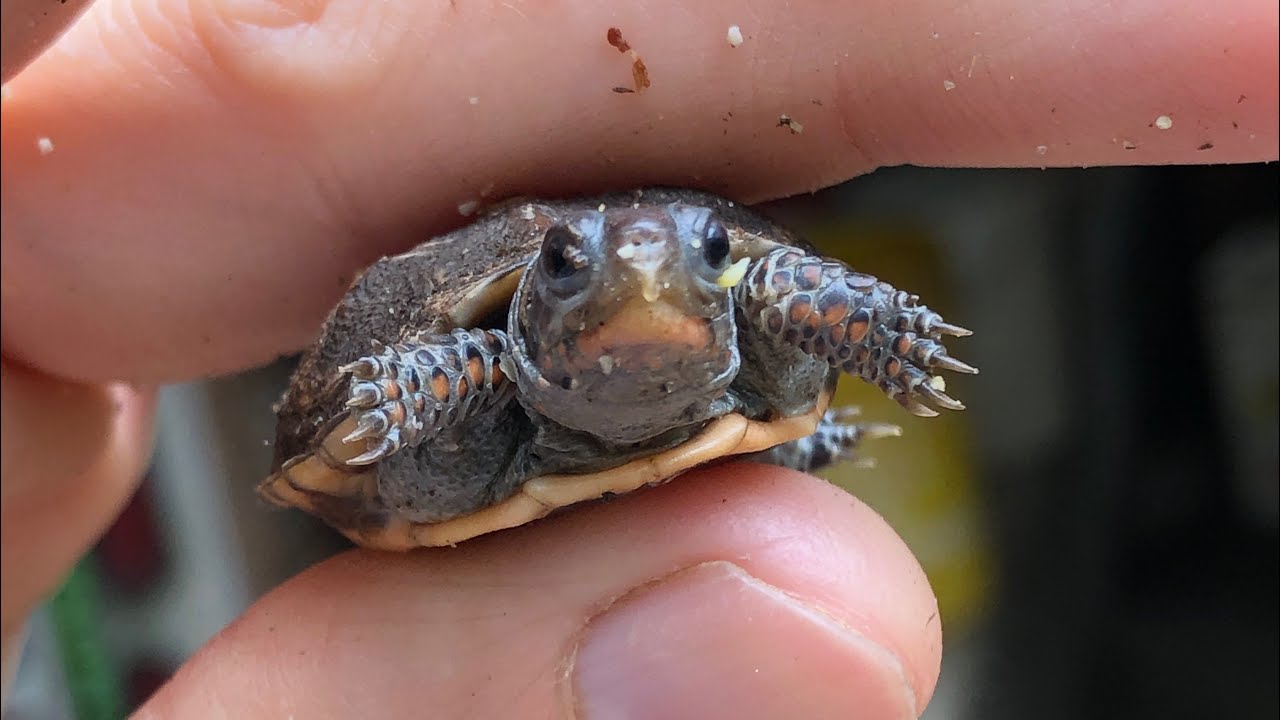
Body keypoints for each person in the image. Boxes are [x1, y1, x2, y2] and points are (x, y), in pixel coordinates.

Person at [2, 0, 1275, 717]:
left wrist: (857, 318)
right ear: (535, 307)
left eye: (705, 265)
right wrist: (409, 380)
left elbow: (766, 275)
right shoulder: (473, 376)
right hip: (471, 452)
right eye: (572, 273)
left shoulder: (750, 313)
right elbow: (426, 376)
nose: (643, 282)